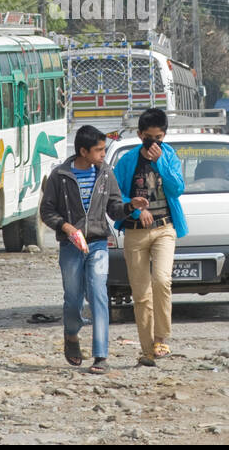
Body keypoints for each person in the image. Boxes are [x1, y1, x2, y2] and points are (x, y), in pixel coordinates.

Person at [39, 124, 127, 374]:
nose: (103, 154)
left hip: (98, 243)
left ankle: (101, 355)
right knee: (73, 298)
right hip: (70, 246)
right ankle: (71, 335)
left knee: (99, 294)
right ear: (83, 151)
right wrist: (67, 228)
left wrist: (131, 209)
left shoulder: (106, 174)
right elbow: (47, 211)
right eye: (99, 150)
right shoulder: (60, 175)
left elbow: (114, 207)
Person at [113, 108, 186, 367]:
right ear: (140, 134)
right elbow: (116, 196)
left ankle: (161, 337)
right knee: (141, 294)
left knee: (162, 280)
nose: (154, 143)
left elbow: (178, 188)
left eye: (160, 138)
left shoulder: (169, 156)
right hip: (134, 232)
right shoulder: (126, 161)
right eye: (149, 138)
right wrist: (136, 207)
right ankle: (146, 351)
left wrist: (160, 163)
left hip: (164, 228)